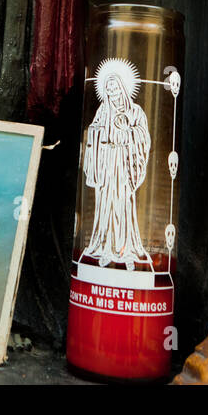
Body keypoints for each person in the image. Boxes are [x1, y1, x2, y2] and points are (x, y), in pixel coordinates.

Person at [83, 68, 152, 270]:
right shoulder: (102, 110)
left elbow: (143, 135)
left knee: (123, 203)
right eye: (108, 87)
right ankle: (105, 249)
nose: (112, 90)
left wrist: (129, 133)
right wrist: (99, 133)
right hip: (106, 162)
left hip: (124, 161)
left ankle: (125, 249)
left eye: (114, 86)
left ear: (121, 88)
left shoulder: (135, 111)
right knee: (105, 203)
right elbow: (93, 130)